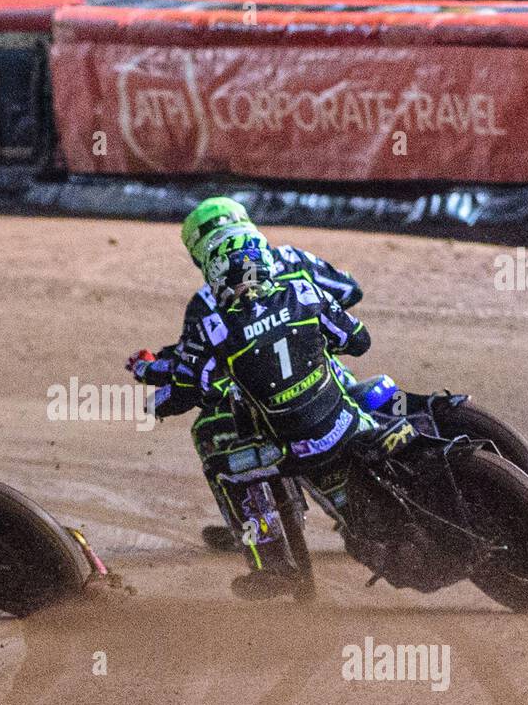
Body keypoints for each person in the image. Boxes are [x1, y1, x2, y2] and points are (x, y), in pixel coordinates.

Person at [127, 197, 366, 552]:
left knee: (214, 437)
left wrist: (149, 369)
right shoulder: (292, 260)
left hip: (251, 397)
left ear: (199, 253)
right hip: (328, 375)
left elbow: (190, 366)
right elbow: (350, 291)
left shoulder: (208, 302)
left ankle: (258, 531)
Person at [154, 237, 375, 600]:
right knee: (386, 411)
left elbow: (185, 392)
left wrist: (154, 405)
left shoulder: (216, 327)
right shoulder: (303, 291)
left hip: (296, 448)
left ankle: (271, 566)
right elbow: (359, 342)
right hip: (350, 423)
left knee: (226, 470)